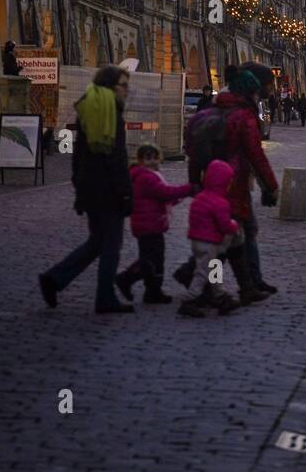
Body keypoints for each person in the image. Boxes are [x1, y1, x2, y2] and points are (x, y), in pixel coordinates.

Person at [176, 66, 279, 301]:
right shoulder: (242, 115)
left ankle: (249, 283)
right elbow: (255, 155)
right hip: (234, 184)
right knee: (228, 238)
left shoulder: (209, 112)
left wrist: (195, 185)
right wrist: (271, 186)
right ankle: (201, 281)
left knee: (237, 235)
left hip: (210, 182)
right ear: (251, 91)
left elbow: (192, 153)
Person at [38, 66, 134, 315]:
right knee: (111, 245)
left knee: (97, 242)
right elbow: (116, 157)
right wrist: (125, 191)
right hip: (109, 189)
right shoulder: (111, 110)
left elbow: (78, 153)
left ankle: (55, 278)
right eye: (124, 85)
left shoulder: (89, 107)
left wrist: (78, 182)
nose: (127, 90)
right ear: (112, 87)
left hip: (89, 187)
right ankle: (105, 298)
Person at [115, 144, 193, 305]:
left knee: (155, 260)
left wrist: (179, 196)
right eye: (148, 158)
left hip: (150, 225)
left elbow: (164, 198)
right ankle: (127, 278)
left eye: (155, 157)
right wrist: (189, 189)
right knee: (150, 261)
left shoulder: (148, 175)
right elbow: (165, 193)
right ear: (140, 160)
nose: (152, 161)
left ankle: (152, 291)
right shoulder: (146, 177)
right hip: (149, 226)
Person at [178, 160, 241, 317]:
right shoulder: (220, 203)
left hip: (197, 241)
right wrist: (234, 225)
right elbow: (225, 226)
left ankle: (219, 295)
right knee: (203, 272)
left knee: (214, 268)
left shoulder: (200, 198)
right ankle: (189, 299)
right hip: (209, 243)